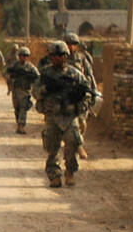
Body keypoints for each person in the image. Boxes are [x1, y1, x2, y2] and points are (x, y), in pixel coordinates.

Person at [31, 40, 92, 188]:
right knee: (52, 148)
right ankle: (54, 176)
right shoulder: (45, 74)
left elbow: (87, 94)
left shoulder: (75, 74)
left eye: (61, 55)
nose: (58, 58)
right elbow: (35, 91)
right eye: (55, 55)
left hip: (70, 116)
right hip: (52, 116)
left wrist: (79, 106)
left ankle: (70, 172)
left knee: (72, 143)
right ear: (50, 57)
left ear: (66, 56)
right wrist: (45, 90)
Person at [65, 32, 96, 160]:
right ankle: (78, 147)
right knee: (71, 124)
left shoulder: (82, 59)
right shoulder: (60, 58)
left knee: (82, 123)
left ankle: (76, 144)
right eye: (69, 44)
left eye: (74, 44)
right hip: (67, 96)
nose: (71, 47)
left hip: (81, 96)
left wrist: (94, 91)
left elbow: (90, 75)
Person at [5, 46, 38, 134]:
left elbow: (37, 76)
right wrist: (12, 77)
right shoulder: (14, 66)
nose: (24, 57)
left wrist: (29, 77)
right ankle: (18, 123)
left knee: (23, 107)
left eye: (26, 56)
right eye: (22, 55)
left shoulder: (30, 67)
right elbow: (7, 74)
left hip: (25, 90)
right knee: (17, 108)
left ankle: (21, 125)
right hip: (16, 90)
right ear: (19, 56)